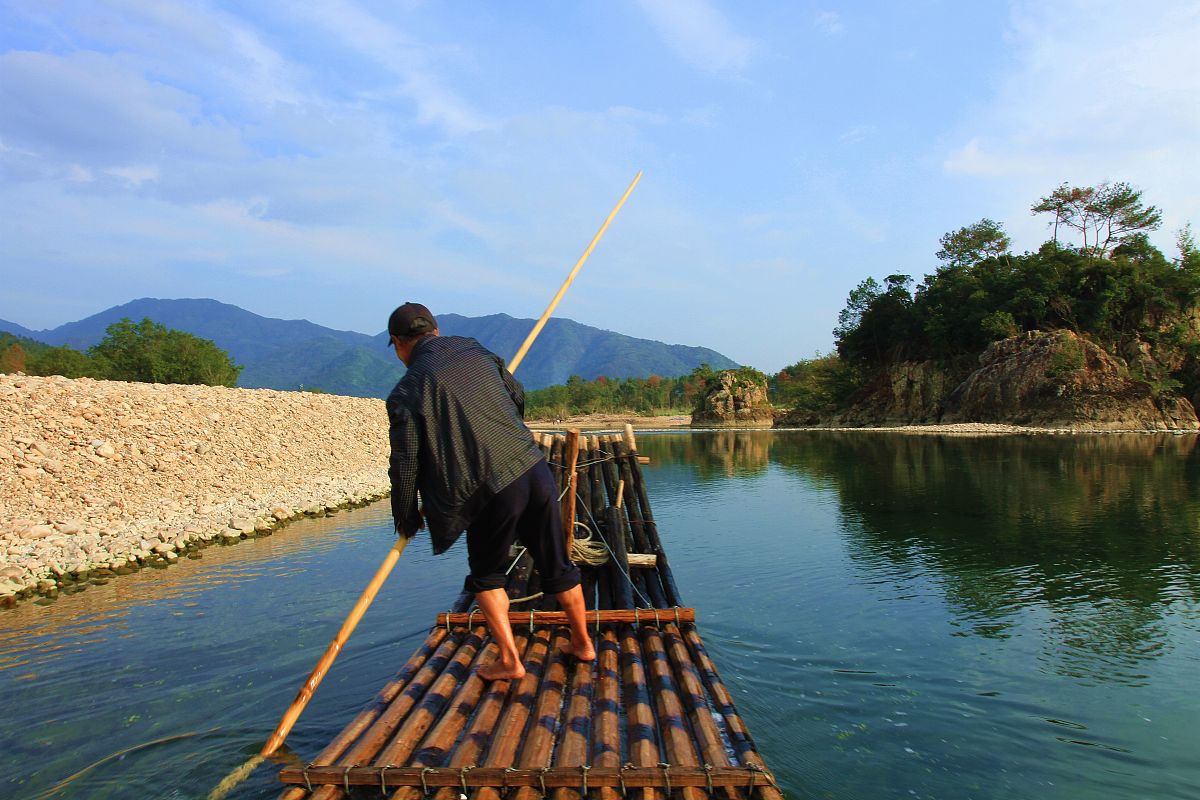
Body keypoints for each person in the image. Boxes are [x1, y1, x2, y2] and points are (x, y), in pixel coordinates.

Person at [385, 302, 595, 681]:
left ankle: (511, 662)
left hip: (491, 487)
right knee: (558, 565)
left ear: (399, 343)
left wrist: (406, 514)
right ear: (435, 330)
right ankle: (583, 643)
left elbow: (406, 464)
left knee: (486, 576)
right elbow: (516, 396)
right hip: (534, 469)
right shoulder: (473, 348)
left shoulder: (407, 390)